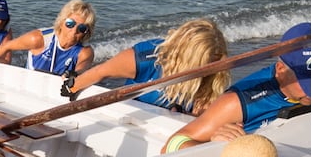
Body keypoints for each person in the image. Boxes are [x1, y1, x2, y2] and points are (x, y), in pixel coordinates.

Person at [162, 22, 311, 153]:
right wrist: (212, 146)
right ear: (280, 70)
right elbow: (171, 145)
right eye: (310, 87)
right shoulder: (237, 103)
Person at [64, 18, 230, 112]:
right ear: (187, 56)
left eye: (214, 63)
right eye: (205, 63)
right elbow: (100, 72)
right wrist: (72, 85)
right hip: (135, 113)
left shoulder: (214, 74)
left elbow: (201, 115)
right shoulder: (145, 58)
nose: (209, 70)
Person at [0, 0, 95, 77]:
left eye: (82, 28)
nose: (74, 31)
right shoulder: (38, 39)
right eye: (70, 24)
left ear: (86, 32)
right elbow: (6, 46)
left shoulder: (85, 52)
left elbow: (83, 67)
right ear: (62, 21)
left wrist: (75, 75)